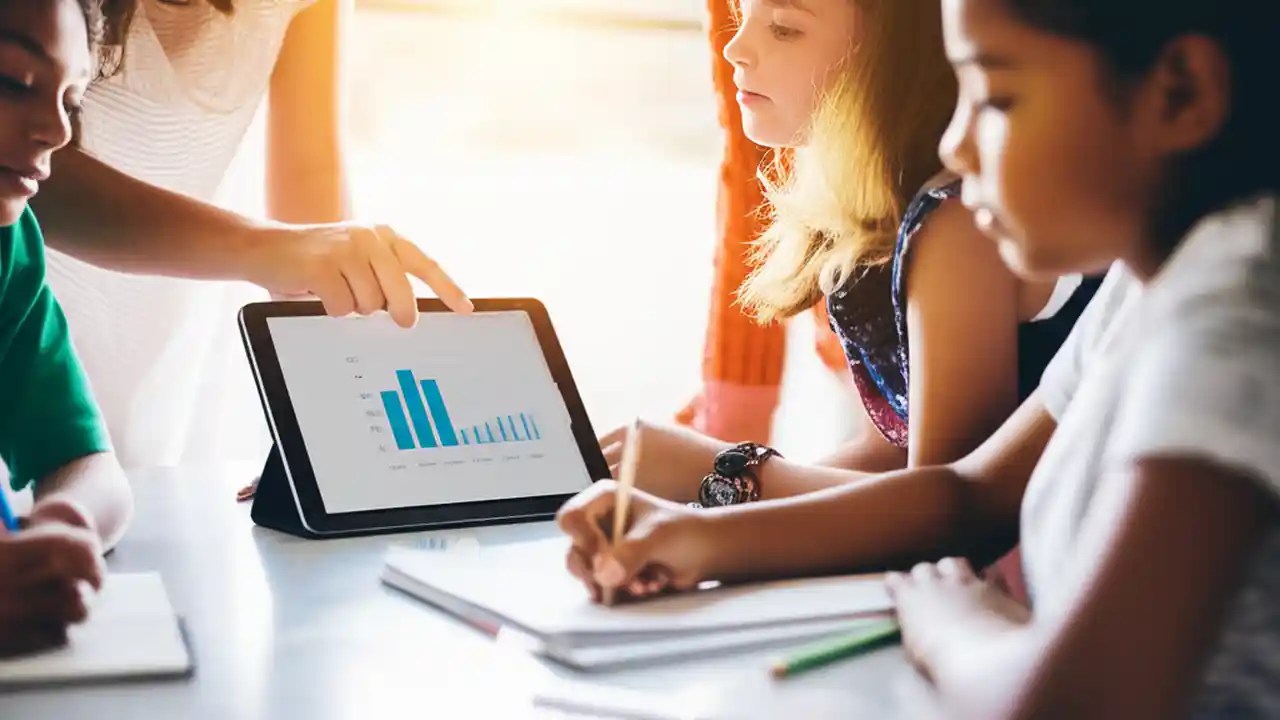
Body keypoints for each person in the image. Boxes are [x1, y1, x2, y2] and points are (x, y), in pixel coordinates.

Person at [560, 0, 1280, 715]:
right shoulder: (1148, 285)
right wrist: (700, 537)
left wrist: (951, 626)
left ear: (1181, 93)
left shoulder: (1236, 319)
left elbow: (1068, 704)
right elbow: (969, 493)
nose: (958, 145)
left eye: (995, 97)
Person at [600, 0, 1096, 500]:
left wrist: (723, 473)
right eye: (739, 14)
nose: (734, 48)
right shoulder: (870, 215)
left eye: (784, 29)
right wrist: (704, 506)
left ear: (890, 56)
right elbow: (891, 450)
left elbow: (938, 509)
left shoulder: (958, 225)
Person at [29, 0, 472, 470]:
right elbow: (31, 169)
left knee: (115, 487)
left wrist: (326, 428)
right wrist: (265, 248)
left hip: (154, 337)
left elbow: (309, 175)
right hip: (24, 299)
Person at [0, 0, 133, 658]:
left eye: (72, 101)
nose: (57, 131)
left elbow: (86, 463)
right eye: (14, 80)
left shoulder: (10, 252)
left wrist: (63, 523)